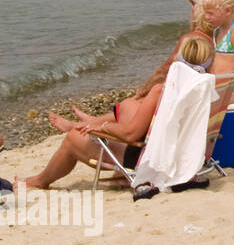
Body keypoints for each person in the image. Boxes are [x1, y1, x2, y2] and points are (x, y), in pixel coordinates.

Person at [20, 36, 214, 189]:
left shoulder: (162, 92)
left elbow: (131, 134)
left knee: (72, 139)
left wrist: (102, 126)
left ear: (178, 61)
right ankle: (90, 124)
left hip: (154, 159)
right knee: (130, 105)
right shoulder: (209, 90)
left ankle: (40, 180)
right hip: (189, 155)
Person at [135, 0, 234, 98]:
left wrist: (141, 93)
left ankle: (142, 98)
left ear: (226, 10)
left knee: (184, 58)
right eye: (203, 11)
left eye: (209, 12)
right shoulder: (226, 25)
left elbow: (172, 63)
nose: (206, 16)